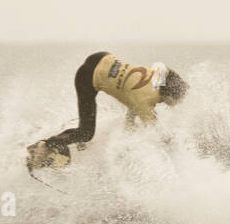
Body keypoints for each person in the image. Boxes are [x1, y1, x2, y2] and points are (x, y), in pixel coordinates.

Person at [26, 51, 189, 170]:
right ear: (170, 95)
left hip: (101, 57)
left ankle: (68, 141)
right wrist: (174, 148)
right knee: (86, 133)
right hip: (87, 78)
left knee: (88, 127)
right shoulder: (145, 103)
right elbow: (157, 133)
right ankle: (46, 145)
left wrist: (130, 124)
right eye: (176, 101)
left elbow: (139, 94)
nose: (174, 105)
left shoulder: (160, 74)